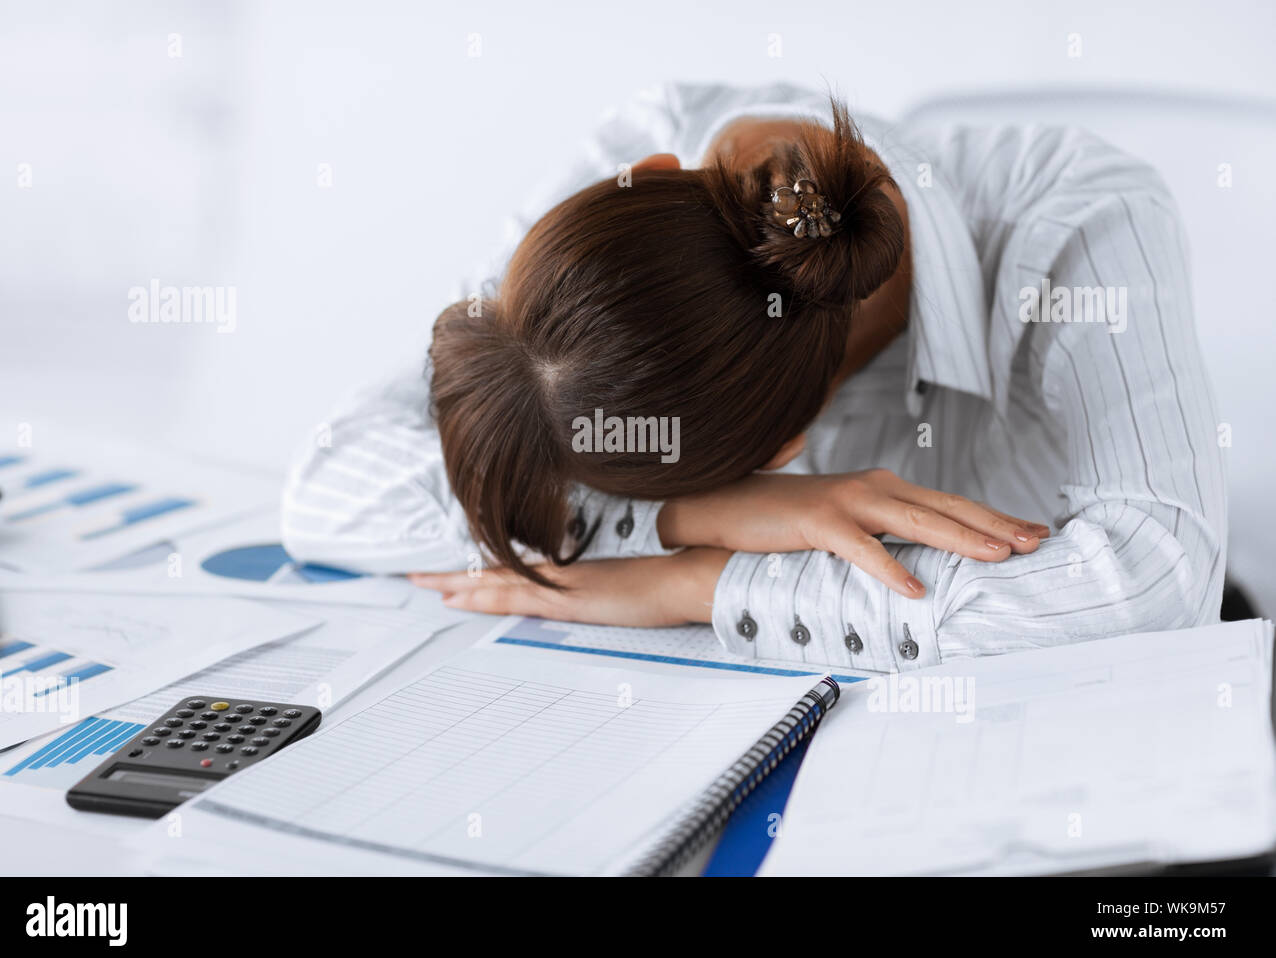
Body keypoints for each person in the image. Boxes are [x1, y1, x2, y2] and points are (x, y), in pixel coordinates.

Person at [281, 82, 1225, 672]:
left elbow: (1152, 585)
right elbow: (328, 489)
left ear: (782, 449)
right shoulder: (614, 200)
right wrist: (699, 515)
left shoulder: (1081, 218)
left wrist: (695, 584)